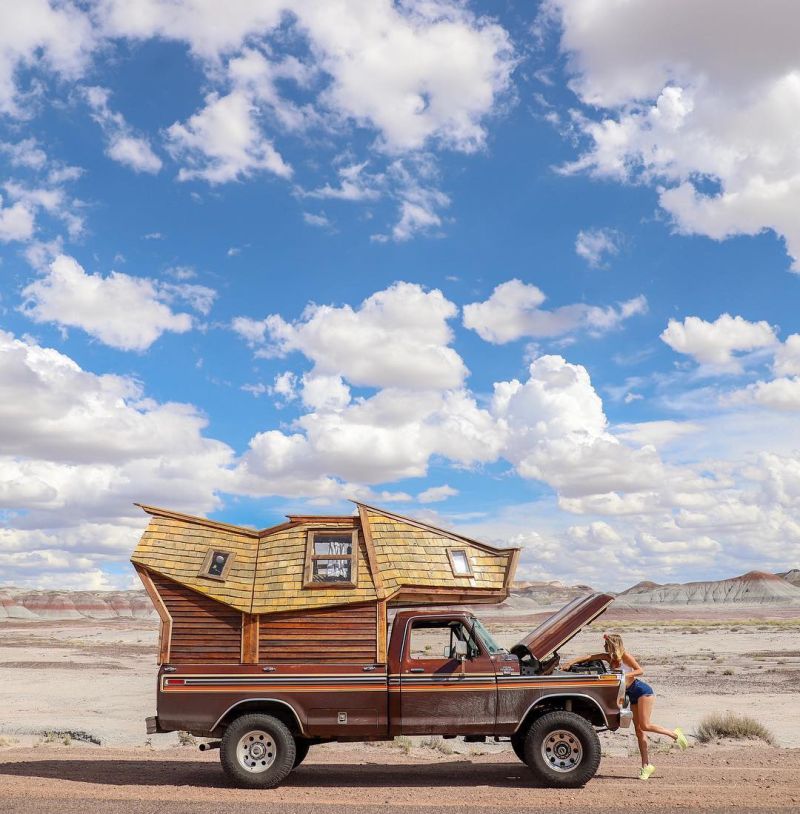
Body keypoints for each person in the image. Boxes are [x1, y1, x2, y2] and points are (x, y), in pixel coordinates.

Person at [570, 633, 688, 780]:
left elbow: (640, 670)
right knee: (639, 731)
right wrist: (569, 663)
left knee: (645, 725)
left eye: (606, 644)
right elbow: (589, 657)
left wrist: (624, 676)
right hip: (629, 695)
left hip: (642, 692)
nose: (604, 646)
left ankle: (675, 734)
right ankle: (646, 766)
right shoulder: (608, 657)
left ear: (613, 645)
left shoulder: (625, 656)